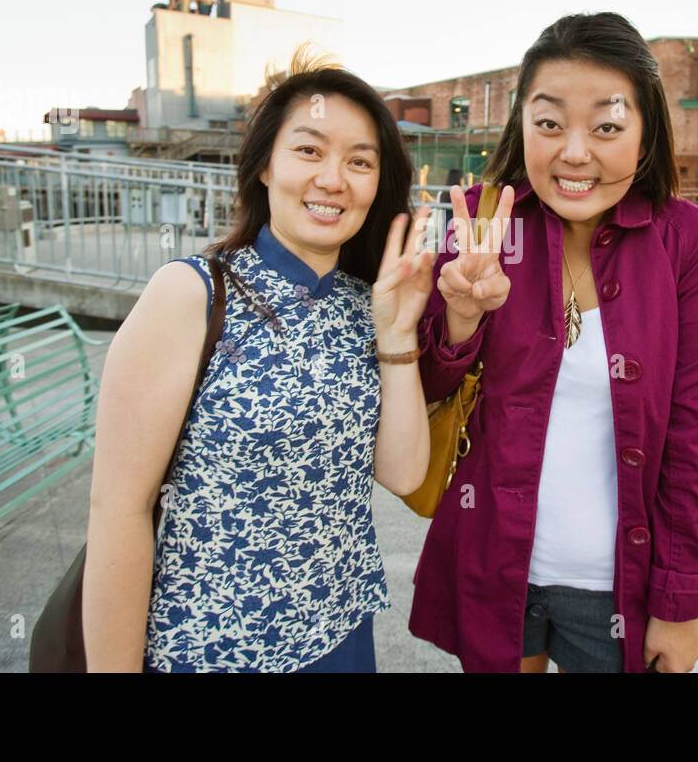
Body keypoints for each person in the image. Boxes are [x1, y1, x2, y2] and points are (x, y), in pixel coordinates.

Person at [82, 46, 436, 672]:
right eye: (309, 150)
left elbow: (403, 474)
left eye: (360, 161)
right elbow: (119, 510)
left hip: (341, 640)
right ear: (265, 166)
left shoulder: (368, 303)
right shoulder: (192, 293)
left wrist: (398, 331)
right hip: (214, 647)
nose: (334, 179)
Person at [409, 12, 698, 673]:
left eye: (607, 127)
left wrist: (680, 598)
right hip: (497, 570)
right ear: (521, 124)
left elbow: (694, 436)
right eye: (549, 123)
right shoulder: (481, 221)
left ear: (644, 135)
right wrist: (462, 319)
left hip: (622, 588)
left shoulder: (690, 243)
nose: (575, 152)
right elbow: (424, 398)